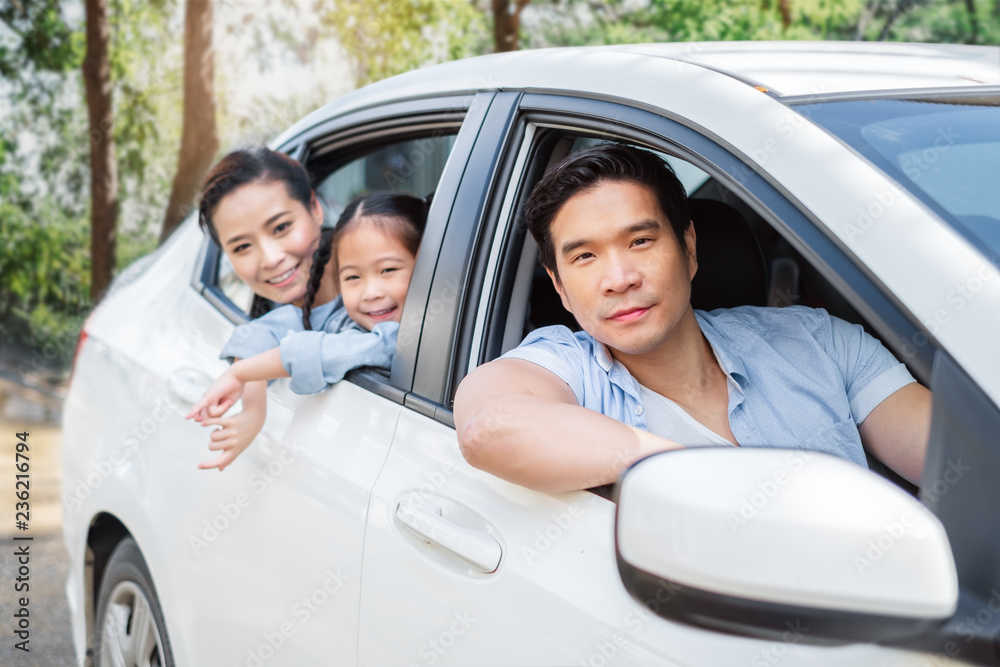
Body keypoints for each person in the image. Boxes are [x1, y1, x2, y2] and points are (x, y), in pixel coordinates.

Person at [453, 143, 931, 494]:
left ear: (689, 248)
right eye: (585, 258)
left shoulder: (817, 340)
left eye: (640, 241)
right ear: (559, 286)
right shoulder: (569, 369)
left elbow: (960, 461)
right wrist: (693, 475)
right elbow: (488, 427)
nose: (619, 279)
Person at [187, 147, 427, 470]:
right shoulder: (312, 311)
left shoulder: (385, 294)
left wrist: (242, 372)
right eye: (242, 247)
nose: (271, 257)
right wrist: (253, 408)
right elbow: (270, 330)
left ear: (315, 207)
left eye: (281, 227)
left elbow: (329, 345)